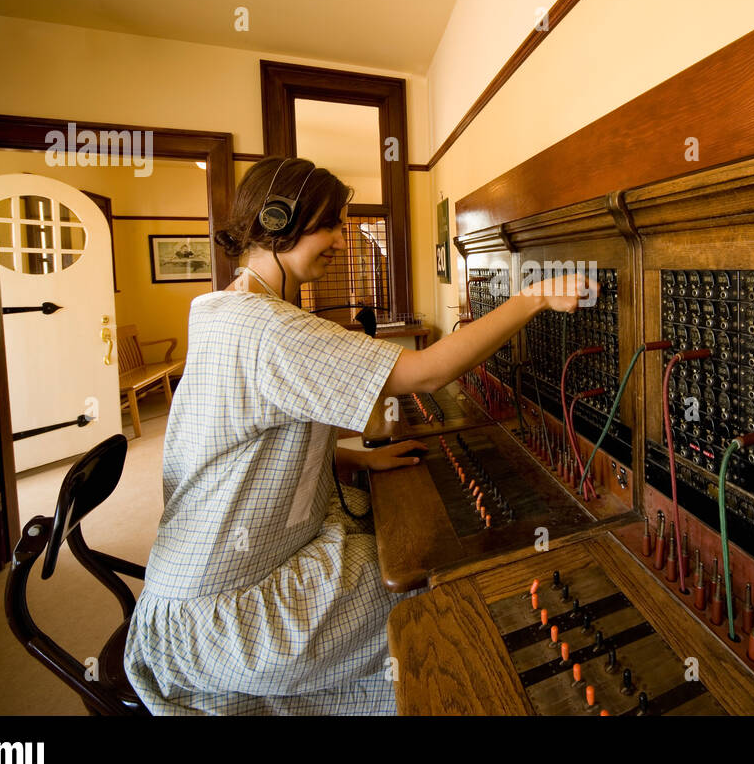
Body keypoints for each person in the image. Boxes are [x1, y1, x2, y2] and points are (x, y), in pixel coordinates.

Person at [123, 156, 591, 714]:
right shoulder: (263, 325)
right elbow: (426, 373)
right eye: (330, 226)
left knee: (391, 552)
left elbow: (246, 444)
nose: (341, 242)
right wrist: (535, 297)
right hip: (223, 615)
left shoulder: (227, 307)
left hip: (206, 588)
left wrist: (352, 462)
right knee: (432, 590)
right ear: (277, 223)